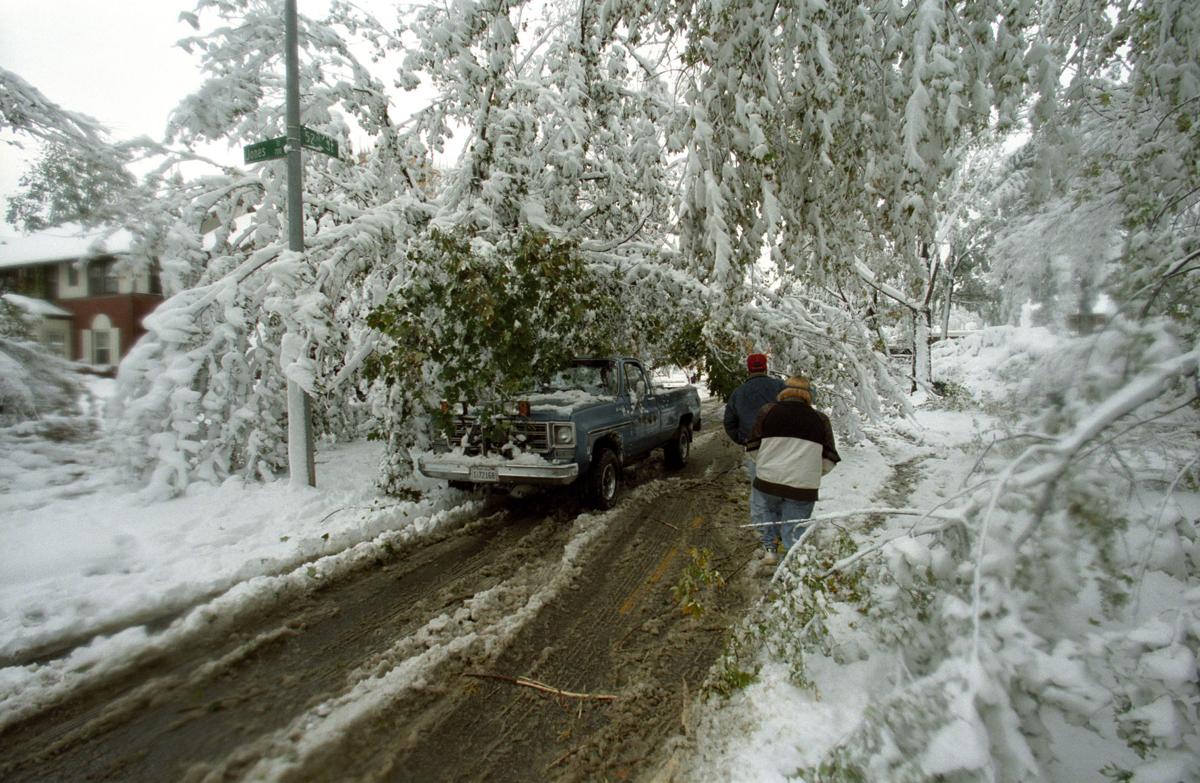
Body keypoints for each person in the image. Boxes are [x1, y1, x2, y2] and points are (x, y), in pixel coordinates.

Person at [745, 376, 840, 560]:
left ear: (783, 392)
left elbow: (753, 448)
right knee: (794, 528)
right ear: (808, 395)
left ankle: (769, 548)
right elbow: (829, 459)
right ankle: (791, 567)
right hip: (803, 487)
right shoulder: (820, 420)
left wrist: (766, 464)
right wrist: (810, 472)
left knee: (765, 512)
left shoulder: (767, 411)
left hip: (768, 481)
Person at [723, 353, 785, 547]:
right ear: (765, 367)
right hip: (781, 448)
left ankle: (765, 535)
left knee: (759, 491)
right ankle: (782, 529)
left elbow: (729, 422)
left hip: (754, 449)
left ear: (748, 370)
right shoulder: (780, 387)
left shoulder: (739, 393)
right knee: (782, 488)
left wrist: (742, 439)